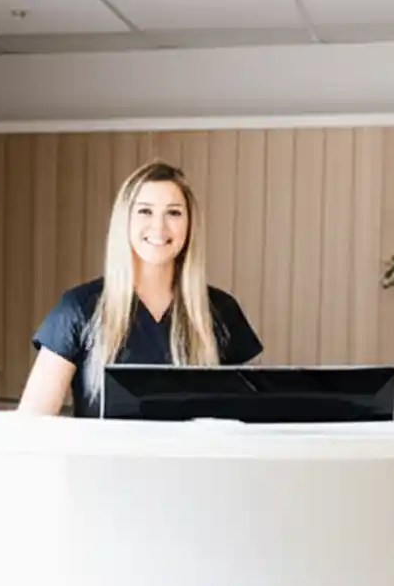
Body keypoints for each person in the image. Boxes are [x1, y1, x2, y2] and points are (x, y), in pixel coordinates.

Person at [18, 160, 263, 417]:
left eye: (174, 212)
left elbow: (248, 422)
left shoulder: (222, 311)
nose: (159, 227)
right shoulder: (77, 309)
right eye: (145, 211)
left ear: (190, 225)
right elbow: (33, 425)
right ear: (124, 221)